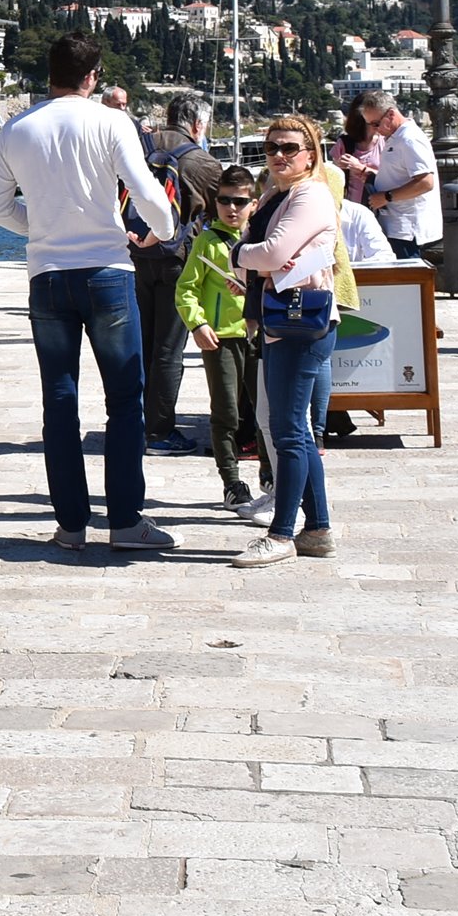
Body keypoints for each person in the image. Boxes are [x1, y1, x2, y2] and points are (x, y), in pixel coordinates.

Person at [0, 32, 179, 552]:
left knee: (60, 402)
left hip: (47, 275)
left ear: (49, 73)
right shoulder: (111, 121)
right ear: (93, 76)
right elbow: (147, 191)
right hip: (108, 272)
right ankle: (125, 521)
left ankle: (70, 525)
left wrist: (43, 227)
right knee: (124, 401)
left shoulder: (16, 127)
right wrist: (163, 229)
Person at [231, 115, 341, 567]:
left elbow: (270, 254)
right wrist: (254, 258)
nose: (279, 154)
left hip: (301, 324)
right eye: (272, 146)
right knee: (293, 430)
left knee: (289, 431)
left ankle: (281, 534)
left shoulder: (310, 195)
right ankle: (317, 529)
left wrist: (241, 253)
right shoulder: (278, 195)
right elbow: (264, 257)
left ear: (311, 154)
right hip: (282, 322)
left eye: (290, 148)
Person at [135, 98, 225, 457]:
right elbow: (226, 211)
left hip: (137, 254)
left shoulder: (140, 147)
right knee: (169, 350)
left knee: (142, 346)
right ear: (199, 125)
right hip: (178, 259)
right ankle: (160, 432)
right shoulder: (202, 162)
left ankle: (136, 423)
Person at [177, 164, 267, 519]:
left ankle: (270, 476)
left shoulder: (263, 239)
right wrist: (197, 324)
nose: (232, 208)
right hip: (221, 338)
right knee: (226, 412)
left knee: (265, 412)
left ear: (253, 204)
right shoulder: (206, 241)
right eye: (224, 201)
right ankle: (231, 481)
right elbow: (186, 289)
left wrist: (253, 293)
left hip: (258, 334)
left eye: (240, 201)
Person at [355, 92, 444, 261]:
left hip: (406, 228)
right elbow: (400, 174)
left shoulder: (409, 139)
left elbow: (426, 182)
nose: (374, 129)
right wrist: (371, 176)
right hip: (396, 224)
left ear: (390, 114)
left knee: (407, 279)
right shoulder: (396, 137)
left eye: (375, 123)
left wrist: (386, 197)